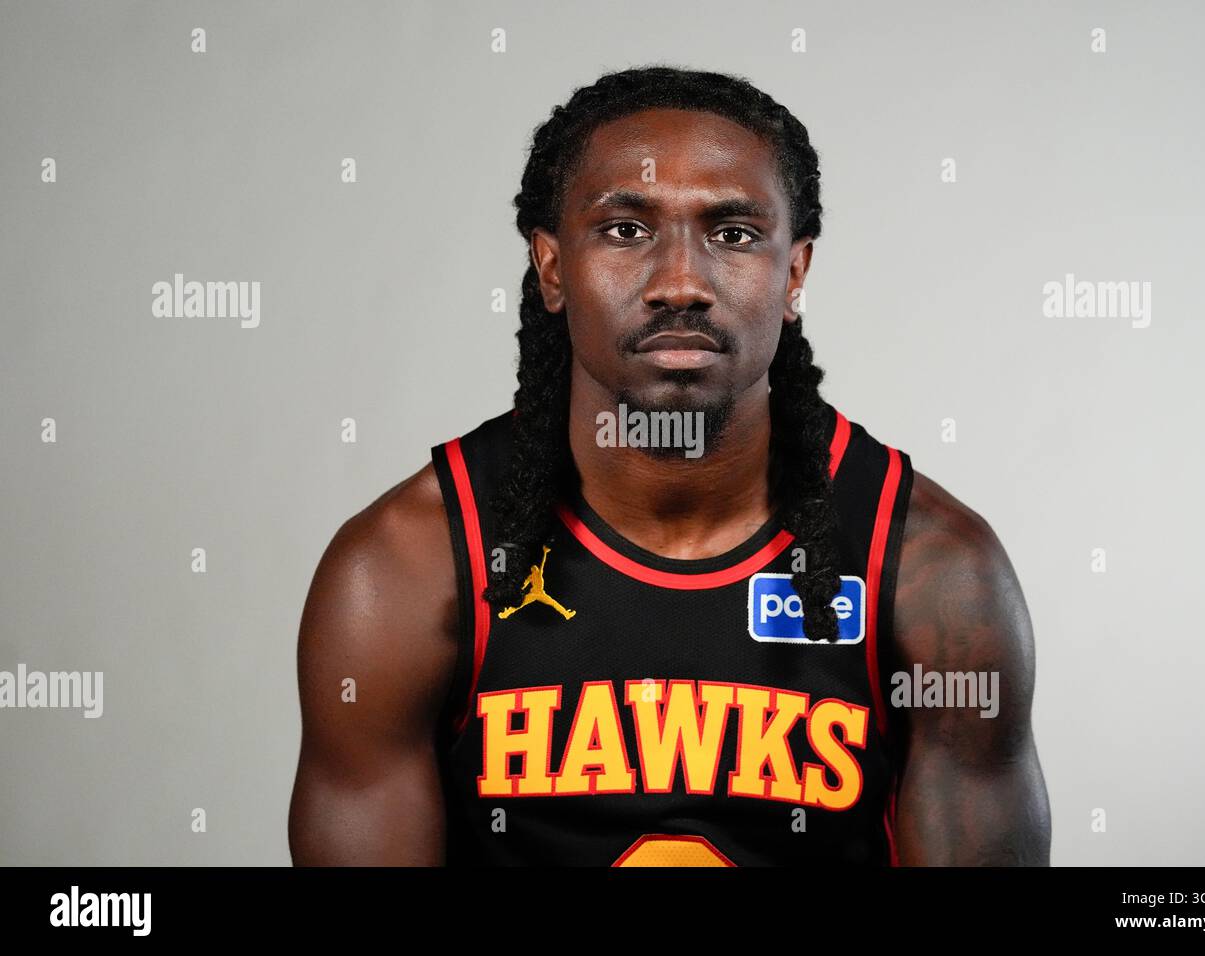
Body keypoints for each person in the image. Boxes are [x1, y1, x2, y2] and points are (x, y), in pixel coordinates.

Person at [288, 65, 1050, 866]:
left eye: (733, 234)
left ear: (794, 274)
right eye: (625, 230)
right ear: (551, 268)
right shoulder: (405, 569)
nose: (681, 283)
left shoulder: (936, 574)